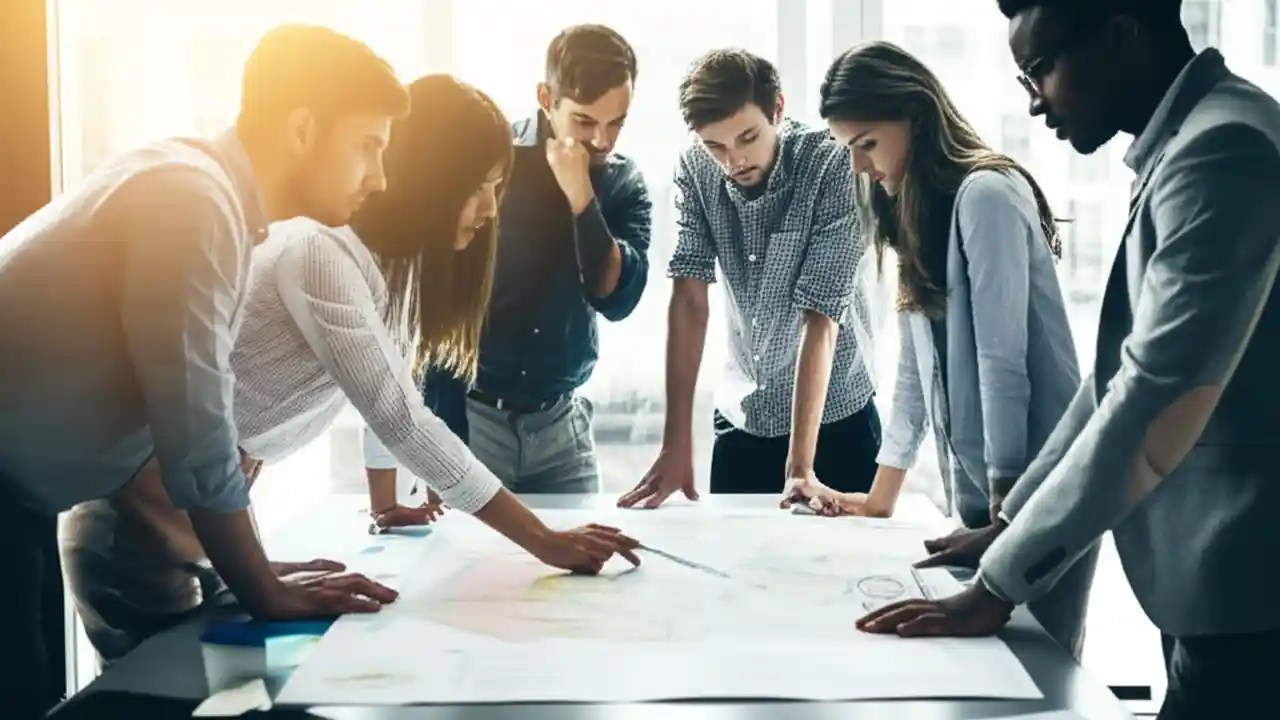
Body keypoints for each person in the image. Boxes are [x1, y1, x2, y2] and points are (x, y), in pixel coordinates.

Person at [60, 74, 644, 664]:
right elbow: (402, 419)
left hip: (204, 517)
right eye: (482, 188)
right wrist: (543, 540)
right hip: (138, 526)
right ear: (433, 179)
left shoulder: (381, 269)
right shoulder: (318, 251)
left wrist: (378, 503)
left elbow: (382, 388)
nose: (490, 211)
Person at [856, 2, 1280, 718]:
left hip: (1248, 583)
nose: (1034, 99)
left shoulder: (1223, 148)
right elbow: (1112, 378)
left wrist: (997, 585)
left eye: (1041, 68)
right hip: (1209, 581)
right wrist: (1011, 522)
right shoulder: (1191, 140)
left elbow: (1151, 400)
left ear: (1121, 30)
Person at [0, 25, 408, 717]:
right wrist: (261, 587)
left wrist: (248, 568)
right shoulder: (189, 203)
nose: (380, 177)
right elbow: (196, 426)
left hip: (21, 504)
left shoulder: (199, 190)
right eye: (367, 146)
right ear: (303, 128)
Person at [811, 41, 1099, 659]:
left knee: (1039, 679)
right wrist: (880, 496)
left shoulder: (987, 194)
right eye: (849, 149)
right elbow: (916, 369)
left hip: (1039, 495)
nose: (860, 165)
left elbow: (1003, 364)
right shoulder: (913, 207)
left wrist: (1004, 507)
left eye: (866, 143)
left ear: (913, 116)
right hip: (985, 503)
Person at [618, 49, 879, 509]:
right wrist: (675, 444)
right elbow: (689, 299)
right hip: (743, 420)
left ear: (777, 109)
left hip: (837, 423)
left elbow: (820, 317)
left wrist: (801, 468)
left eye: (747, 137)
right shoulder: (695, 171)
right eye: (715, 146)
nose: (733, 160)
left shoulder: (832, 164)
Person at [421, 24, 652, 494]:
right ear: (546, 98)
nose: (603, 141)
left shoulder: (624, 184)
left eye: (617, 122)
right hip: (473, 418)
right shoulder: (493, 163)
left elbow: (616, 299)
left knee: (587, 562)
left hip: (562, 427)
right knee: (471, 561)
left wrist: (581, 197)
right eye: (586, 122)